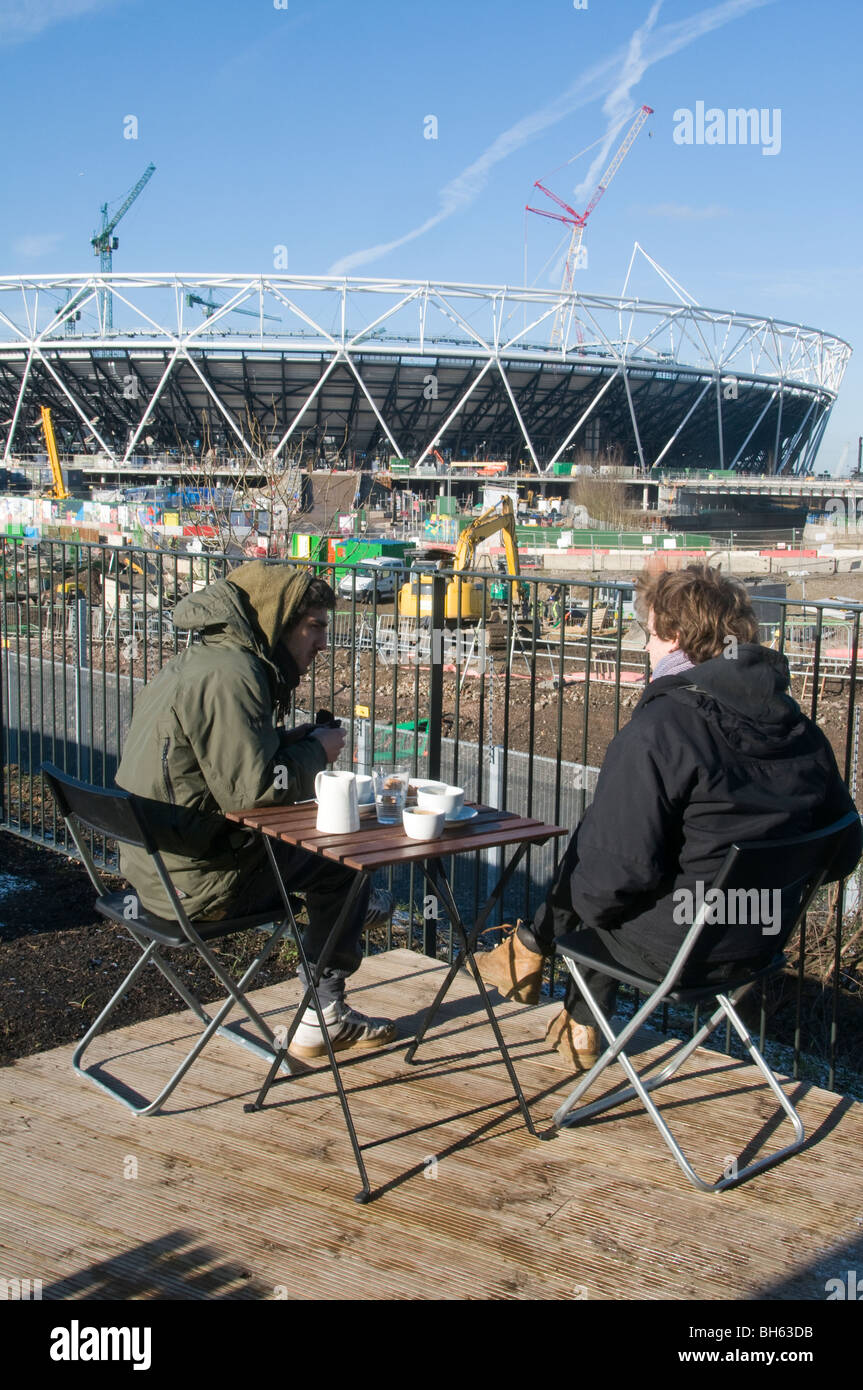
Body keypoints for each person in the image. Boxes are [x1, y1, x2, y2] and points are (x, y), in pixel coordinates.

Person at [478, 563, 862, 1070]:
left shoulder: (662, 729)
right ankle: (542, 970)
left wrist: (564, 915)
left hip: (677, 951)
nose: (645, 647)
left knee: (600, 866)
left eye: (651, 635)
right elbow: (843, 853)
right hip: (760, 943)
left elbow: (611, 882)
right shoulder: (803, 731)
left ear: (677, 637)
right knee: (622, 853)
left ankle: (545, 971)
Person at [116, 560, 396, 1059]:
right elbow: (255, 792)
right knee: (345, 866)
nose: (323, 643)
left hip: (153, 868)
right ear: (276, 619)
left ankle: (351, 913)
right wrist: (317, 753)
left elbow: (221, 765)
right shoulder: (236, 676)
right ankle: (324, 1013)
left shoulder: (208, 660)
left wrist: (292, 740)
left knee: (333, 867)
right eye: (314, 627)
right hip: (198, 884)